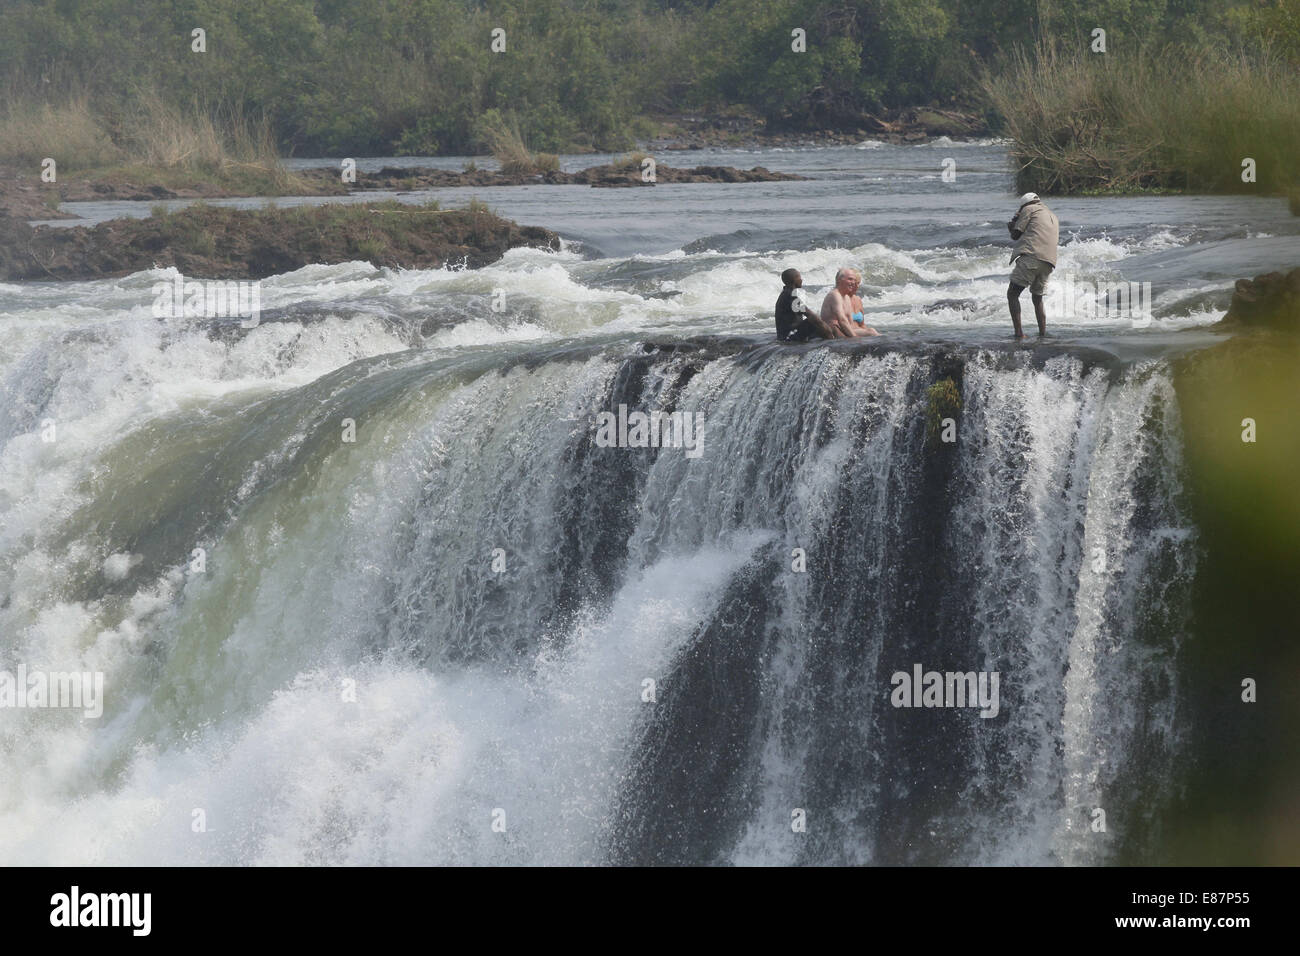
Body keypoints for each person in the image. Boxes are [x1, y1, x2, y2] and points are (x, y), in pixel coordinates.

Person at [1006, 192, 1059, 338]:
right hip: (1049, 262)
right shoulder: (1052, 215)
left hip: (1032, 257)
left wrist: (1012, 223)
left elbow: (1015, 235)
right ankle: (1042, 334)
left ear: (1024, 204)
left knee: (1012, 294)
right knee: (1037, 298)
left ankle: (1019, 334)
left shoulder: (1028, 209)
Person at [775, 268, 838, 342]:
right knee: (813, 321)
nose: (801, 280)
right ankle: (832, 340)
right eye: (799, 277)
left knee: (825, 323)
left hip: (789, 332)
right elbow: (809, 314)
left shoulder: (787, 293)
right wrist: (829, 333)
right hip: (788, 336)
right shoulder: (790, 296)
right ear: (795, 279)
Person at [821, 267, 880, 337]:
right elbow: (842, 320)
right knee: (871, 332)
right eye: (850, 279)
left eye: (854, 280)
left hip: (845, 331)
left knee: (871, 331)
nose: (853, 283)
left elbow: (850, 324)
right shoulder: (834, 295)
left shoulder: (846, 297)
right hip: (835, 332)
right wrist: (855, 338)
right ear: (839, 280)